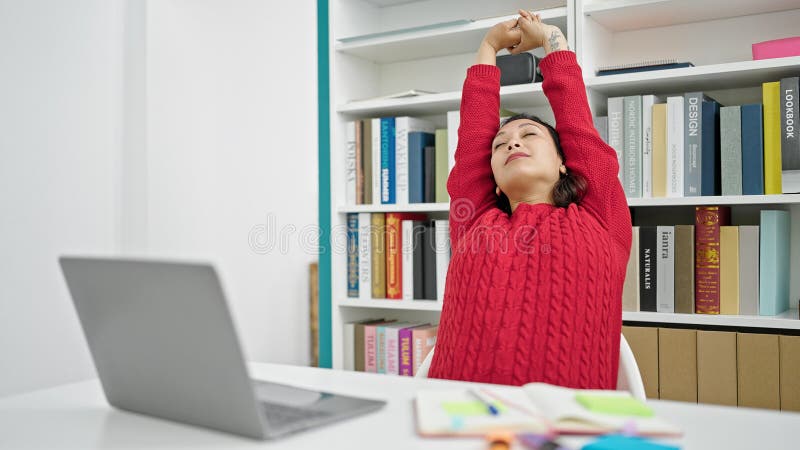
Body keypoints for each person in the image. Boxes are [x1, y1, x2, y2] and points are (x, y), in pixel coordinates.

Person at [427, 10, 632, 389]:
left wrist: (552, 39)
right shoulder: (474, 221)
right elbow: (472, 140)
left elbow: (578, 126)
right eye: (501, 144)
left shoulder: (600, 217)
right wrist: (488, 48)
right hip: (457, 421)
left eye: (530, 135)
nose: (513, 142)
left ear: (564, 163)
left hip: (568, 429)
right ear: (496, 183)